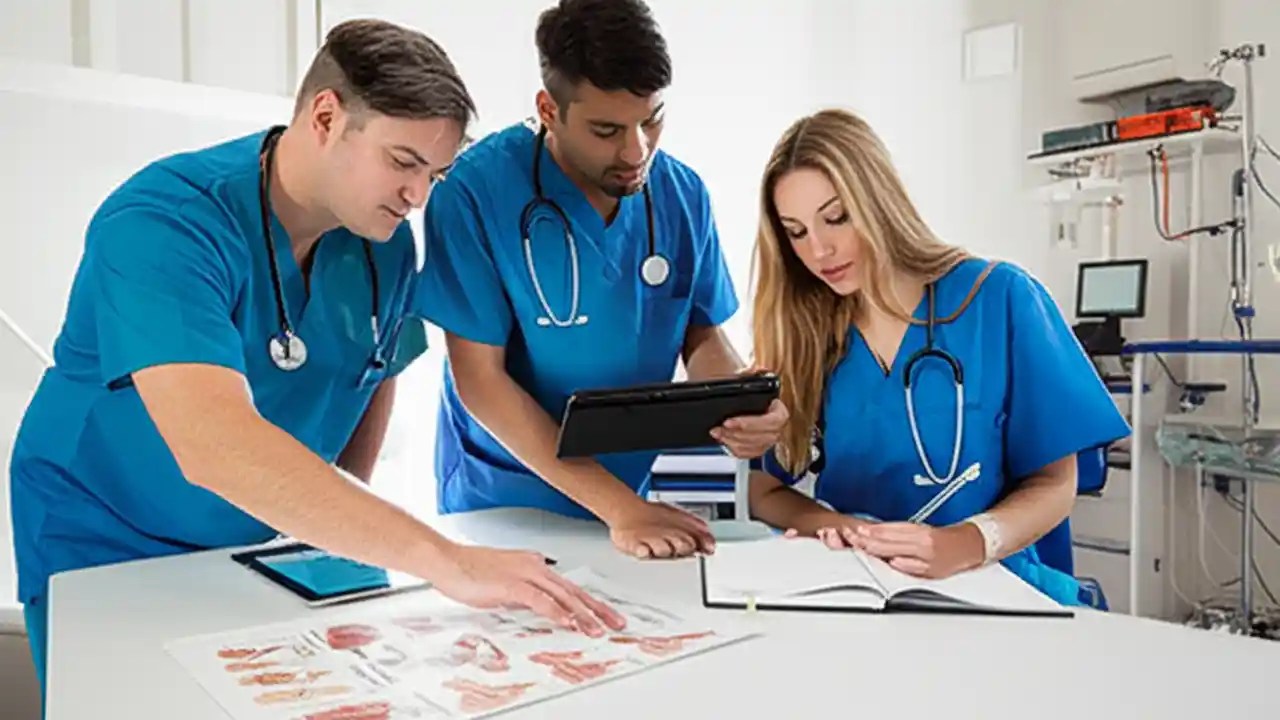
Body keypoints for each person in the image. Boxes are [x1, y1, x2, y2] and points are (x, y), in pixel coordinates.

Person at [9, 18, 623, 693]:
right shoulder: (164, 223)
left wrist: (330, 532)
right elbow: (212, 443)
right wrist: (444, 560)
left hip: (253, 538)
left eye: (436, 174)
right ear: (326, 117)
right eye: (403, 163)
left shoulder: (384, 244)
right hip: (107, 531)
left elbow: (374, 372)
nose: (419, 197)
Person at [416, 0, 787, 560]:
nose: (637, 150)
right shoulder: (473, 192)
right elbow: (481, 382)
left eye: (652, 119)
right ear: (548, 109)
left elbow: (702, 337)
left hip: (629, 497)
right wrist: (619, 508)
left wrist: (741, 407)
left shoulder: (682, 194)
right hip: (504, 502)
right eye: (607, 129)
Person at [745, 108, 1131, 606]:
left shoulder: (998, 298)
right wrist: (839, 529)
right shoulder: (809, 331)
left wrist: (965, 544)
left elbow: (1057, 483)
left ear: (878, 200)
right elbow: (764, 488)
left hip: (997, 591)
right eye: (796, 232)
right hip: (865, 595)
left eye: (836, 218)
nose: (819, 250)